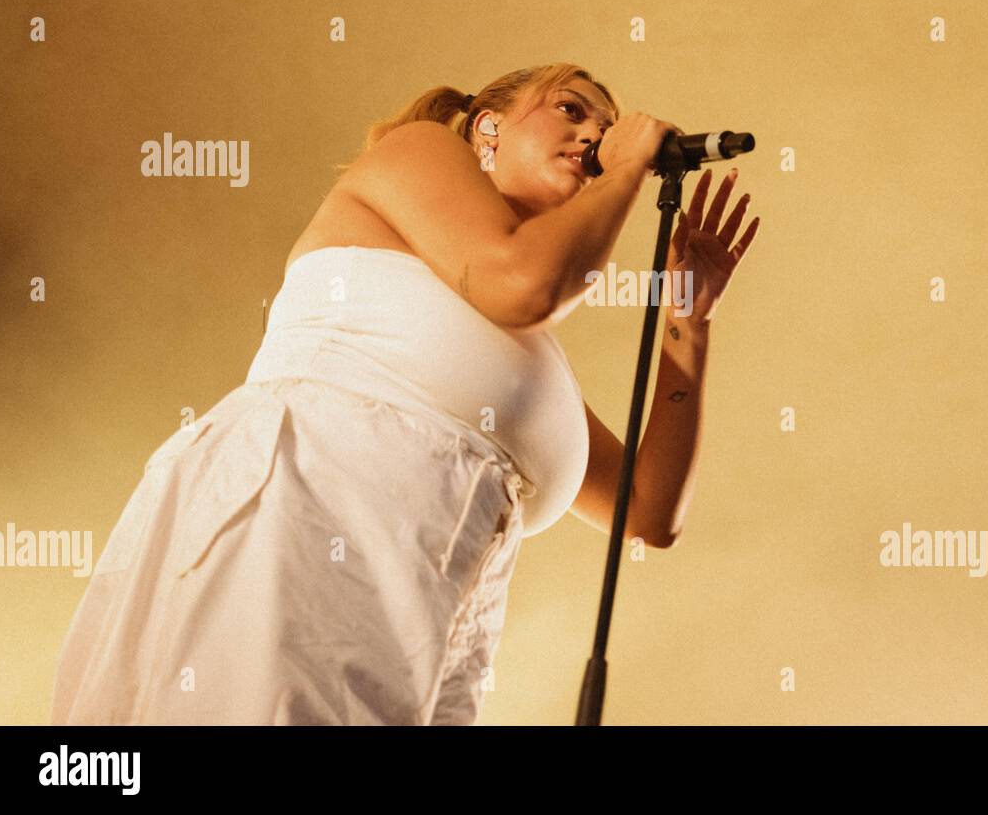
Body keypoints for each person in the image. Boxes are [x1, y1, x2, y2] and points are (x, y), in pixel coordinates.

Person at [50, 62, 761, 725]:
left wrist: (689, 323)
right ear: (487, 127)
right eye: (571, 109)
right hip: (311, 514)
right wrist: (630, 166)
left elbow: (648, 512)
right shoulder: (419, 152)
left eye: (608, 131)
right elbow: (525, 282)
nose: (595, 137)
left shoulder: (528, 362)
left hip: (432, 613)